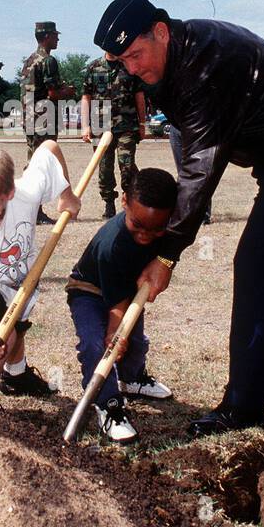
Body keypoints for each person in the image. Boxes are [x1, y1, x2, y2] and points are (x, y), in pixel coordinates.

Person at [94, 0, 264, 437]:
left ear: (161, 31)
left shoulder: (208, 63)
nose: (133, 68)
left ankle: (243, 405)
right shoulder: (168, 56)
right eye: (124, 62)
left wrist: (168, 254)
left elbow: (200, 166)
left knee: (257, 262)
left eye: (137, 54)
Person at [0, 142, 81, 403]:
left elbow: (50, 148)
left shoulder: (27, 192)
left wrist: (67, 194)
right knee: (0, 339)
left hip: (19, 282)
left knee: (17, 327)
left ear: (9, 192)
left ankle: (16, 376)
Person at [67, 168, 176, 444]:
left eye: (156, 229)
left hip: (127, 290)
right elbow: (116, 308)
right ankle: (108, 404)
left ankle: (132, 379)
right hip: (89, 291)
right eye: (138, 226)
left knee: (135, 342)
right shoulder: (111, 243)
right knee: (97, 346)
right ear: (124, 201)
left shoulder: (169, 226)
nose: (145, 237)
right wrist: (116, 335)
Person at [19, 20, 73, 222]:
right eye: (55, 35)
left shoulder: (29, 61)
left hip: (31, 117)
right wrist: (69, 91)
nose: (58, 38)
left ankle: (29, 208)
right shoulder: (48, 61)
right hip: (44, 119)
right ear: (47, 36)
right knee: (40, 164)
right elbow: (53, 92)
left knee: (32, 161)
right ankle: (35, 211)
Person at [80, 55, 146, 218]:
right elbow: (86, 97)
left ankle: (130, 200)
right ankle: (109, 203)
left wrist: (143, 123)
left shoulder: (129, 65)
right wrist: (85, 126)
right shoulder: (93, 68)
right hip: (100, 126)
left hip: (126, 125)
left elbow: (139, 95)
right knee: (104, 167)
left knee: (127, 164)